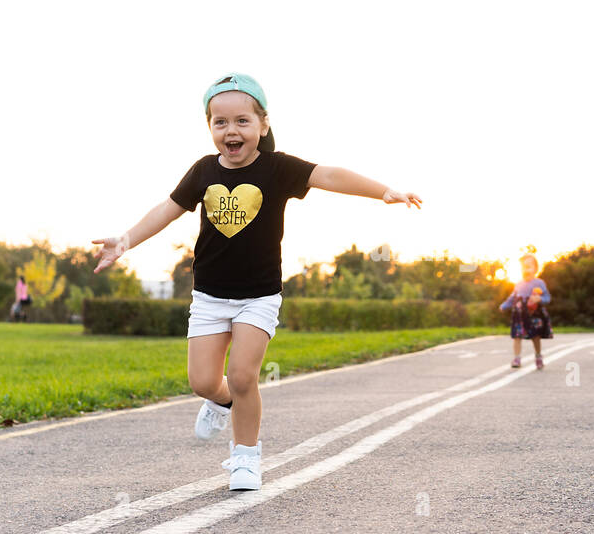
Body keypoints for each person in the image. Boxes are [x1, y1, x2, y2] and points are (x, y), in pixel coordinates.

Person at [92, 73, 422, 491]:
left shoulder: (278, 168)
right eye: (220, 122)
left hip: (258, 297)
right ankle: (222, 400)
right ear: (210, 127)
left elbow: (332, 176)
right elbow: (167, 209)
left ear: (262, 125)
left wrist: (384, 191)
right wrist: (124, 241)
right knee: (203, 383)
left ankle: (245, 458)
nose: (232, 130)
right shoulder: (202, 171)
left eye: (242, 121)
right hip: (210, 296)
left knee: (244, 376)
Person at [500, 254, 553, 369]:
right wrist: (504, 305)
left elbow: (547, 298)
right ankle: (517, 358)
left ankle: (538, 356)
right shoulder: (518, 284)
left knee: (536, 337)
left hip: (534, 314)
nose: (526, 269)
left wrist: (540, 299)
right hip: (519, 314)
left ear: (535, 269)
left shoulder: (539, 283)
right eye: (523, 267)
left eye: (529, 266)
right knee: (517, 336)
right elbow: (512, 298)